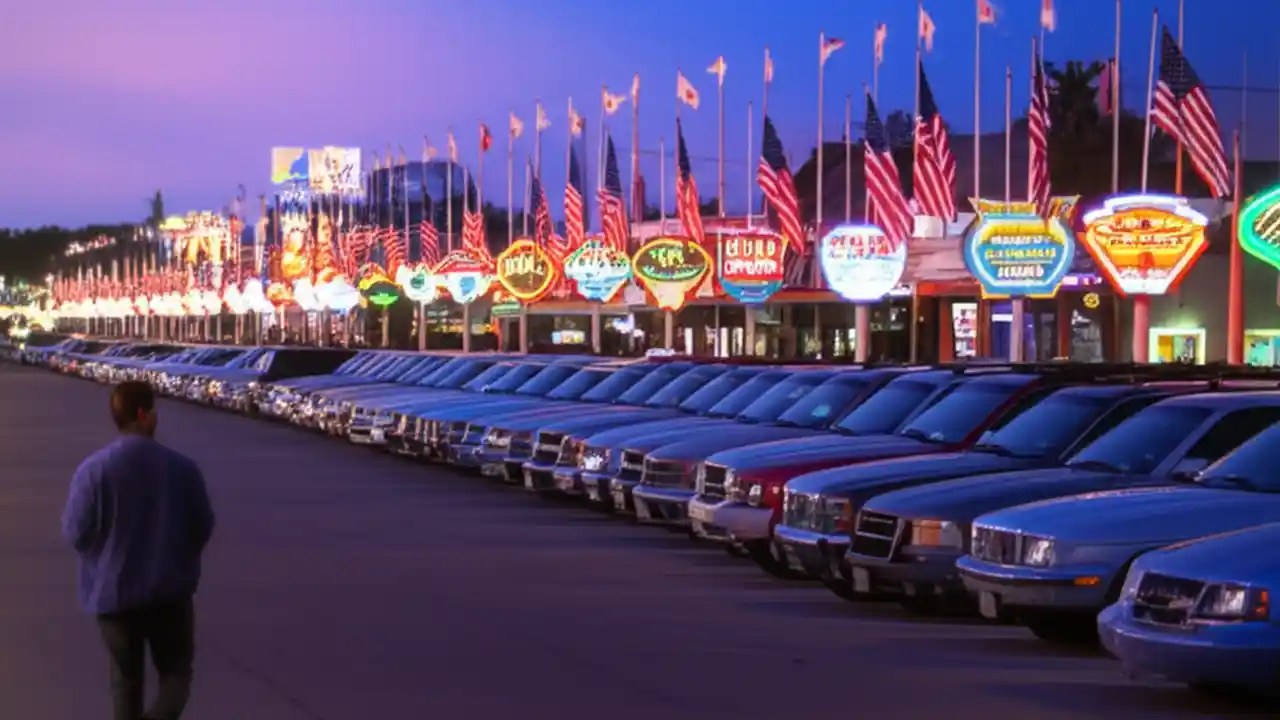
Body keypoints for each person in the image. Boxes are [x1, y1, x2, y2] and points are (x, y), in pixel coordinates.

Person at [61, 381, 215, 720]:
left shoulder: (94, 471)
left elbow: (75, 532)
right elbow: (203, 525)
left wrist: (101, 558)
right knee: (176, 677)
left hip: (113, 595)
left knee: (125, 682)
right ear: (145, 415)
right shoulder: (182, 469)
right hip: (169, 594)